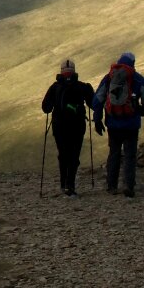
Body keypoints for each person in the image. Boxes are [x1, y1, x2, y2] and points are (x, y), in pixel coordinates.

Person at [93, 51, 144, 197]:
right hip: (131, 124)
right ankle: (128, 186)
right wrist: (142, 110)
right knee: (130, 155)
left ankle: (111, 186)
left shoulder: (109, 78)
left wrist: (97, 119)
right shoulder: (136, 78)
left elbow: (97, 100)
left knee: (114, 153)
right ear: (133, 64)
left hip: (113, 124)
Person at [41, 59, 97, 196]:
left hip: (59, 126)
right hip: (77, 126)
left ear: (61, 72)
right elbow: (94, 104)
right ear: (74, 71)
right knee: (74, 155)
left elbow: (45, 108)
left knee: (63, 154)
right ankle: (70, 186)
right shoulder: (82, 87)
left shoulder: (55, 87)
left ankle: (63, 183)